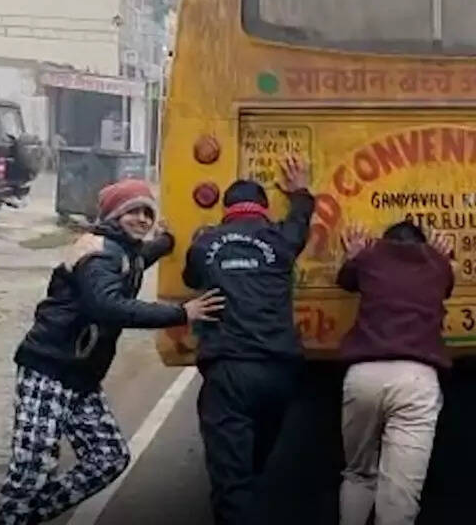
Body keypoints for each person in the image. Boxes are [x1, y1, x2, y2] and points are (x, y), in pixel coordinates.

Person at [0, 179, 225, 524]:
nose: (143, 219)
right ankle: (13, 516)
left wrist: (170, 240)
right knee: (31, 473)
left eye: (148, 212)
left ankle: (19, 517)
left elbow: (145, 254)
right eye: (133, 211)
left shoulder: (125, 250)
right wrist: (181, 313)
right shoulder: (98, 253)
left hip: (81, 377)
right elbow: (108, 305)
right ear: (114, 214)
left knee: (108, 458)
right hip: (49, 370)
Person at [182, 156, 315, 525]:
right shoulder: (280, 239)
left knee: (232, 481)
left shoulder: (206, 243)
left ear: (226, 210)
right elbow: (300, 221)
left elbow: (192, 278)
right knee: (257, 459)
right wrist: (300, 191)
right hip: (280, 372)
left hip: (229, 371)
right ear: (263, 208)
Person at [335, 219, 455, 525]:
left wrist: (354, 254)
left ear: (384, 242)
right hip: (415, 380)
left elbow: (345, 280)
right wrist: (441, 256)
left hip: (363, 375)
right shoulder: (437, 265)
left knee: (358, 473)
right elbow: (447, 286)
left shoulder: (370, 258)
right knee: (399, 493)